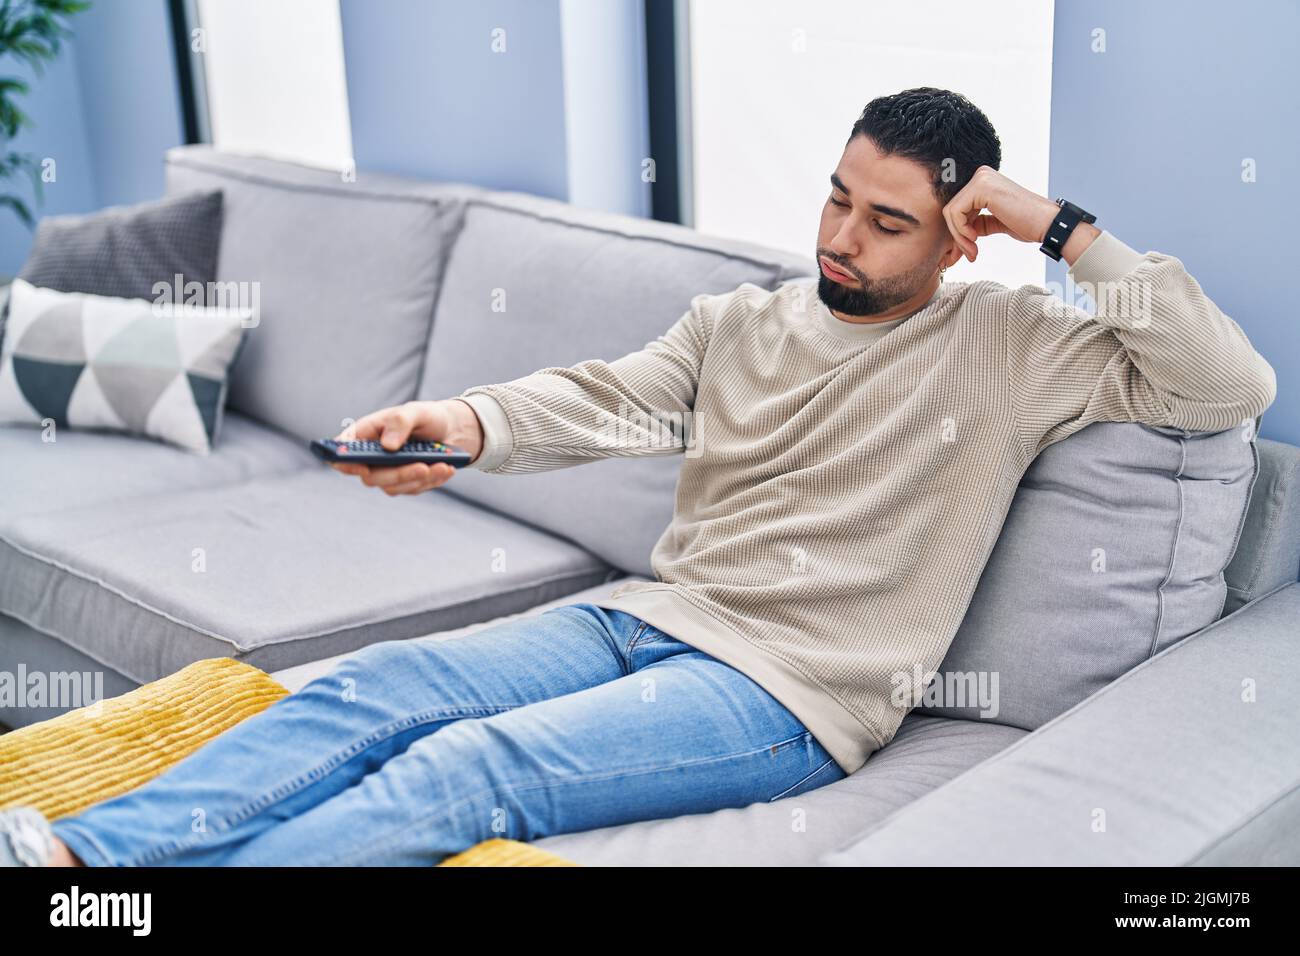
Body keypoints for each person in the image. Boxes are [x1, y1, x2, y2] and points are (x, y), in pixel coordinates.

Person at [2, 87, 1275, 866]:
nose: (839, 235)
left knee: (462, 773)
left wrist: (1059, 227)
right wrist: (460, 420)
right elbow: (605, 399)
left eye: (885, 220)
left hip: (790, 691)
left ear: (960, 235)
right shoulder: (745, 322)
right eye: (836, 198)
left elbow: (1224, 385)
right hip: (645, 618)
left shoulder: (1014, 344)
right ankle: (79, 851)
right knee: (379, 688)